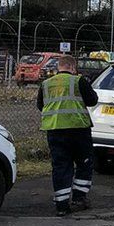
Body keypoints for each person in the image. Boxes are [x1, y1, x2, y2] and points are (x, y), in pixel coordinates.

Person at [36, 55, 99, 216]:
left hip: (55, 130)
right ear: (72, 67)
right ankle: (79, 199)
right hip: (78, 129)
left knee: (60, 167)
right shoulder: (79, 81)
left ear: (59, 67)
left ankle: (62, 206)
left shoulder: (45, 84)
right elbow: (92, 100)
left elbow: (40, 105)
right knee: (84, 163)